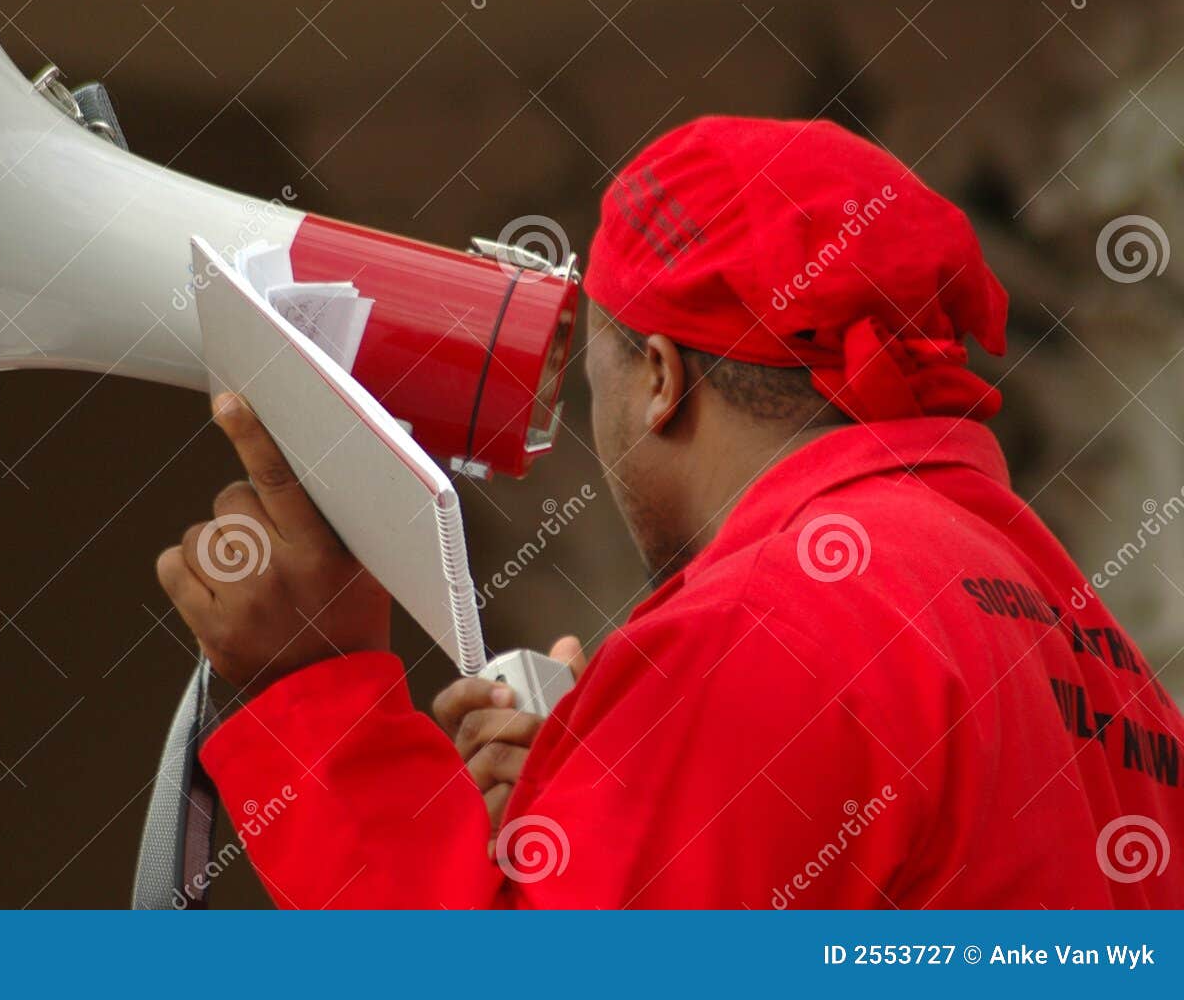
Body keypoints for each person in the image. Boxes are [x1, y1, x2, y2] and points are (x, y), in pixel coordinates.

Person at [155, 116, 1184, 907]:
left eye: (592, 360)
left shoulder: (769, 624)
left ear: (657, 374)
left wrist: (311, 683)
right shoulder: (1076, 629)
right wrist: (605, 796)